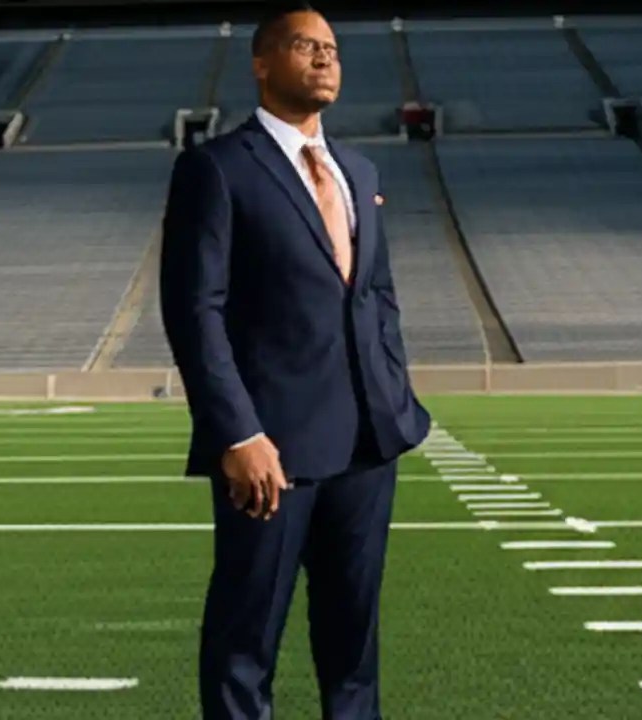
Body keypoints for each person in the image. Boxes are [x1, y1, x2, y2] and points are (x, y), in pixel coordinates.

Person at [159, 3, 431, 718]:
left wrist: (393, 390)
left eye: (332, 49)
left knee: (354, 647)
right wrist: (237, 434)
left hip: (368, 442)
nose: (324, 58)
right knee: (245, 641)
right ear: (261, 62)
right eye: (305, 46)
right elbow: (194, 310)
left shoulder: (359, 170)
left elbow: (376, 294)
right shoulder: (216, 168)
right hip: (271, 450)